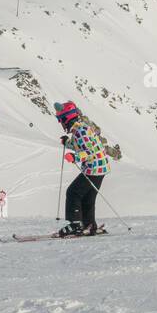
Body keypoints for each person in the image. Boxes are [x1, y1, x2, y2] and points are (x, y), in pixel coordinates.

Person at [54, 101, 110, 237]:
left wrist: (75, 157)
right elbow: (80, 146)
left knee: (73, 192)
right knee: (87, 197)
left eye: (60, 120)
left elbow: (89, 152)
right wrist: (67, 143)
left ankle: (75, 225)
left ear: (67, 118)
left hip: (94, 167)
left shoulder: (81, 131)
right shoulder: (80, 129)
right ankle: (89, 225)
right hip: (100, 167)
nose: (60, 123)